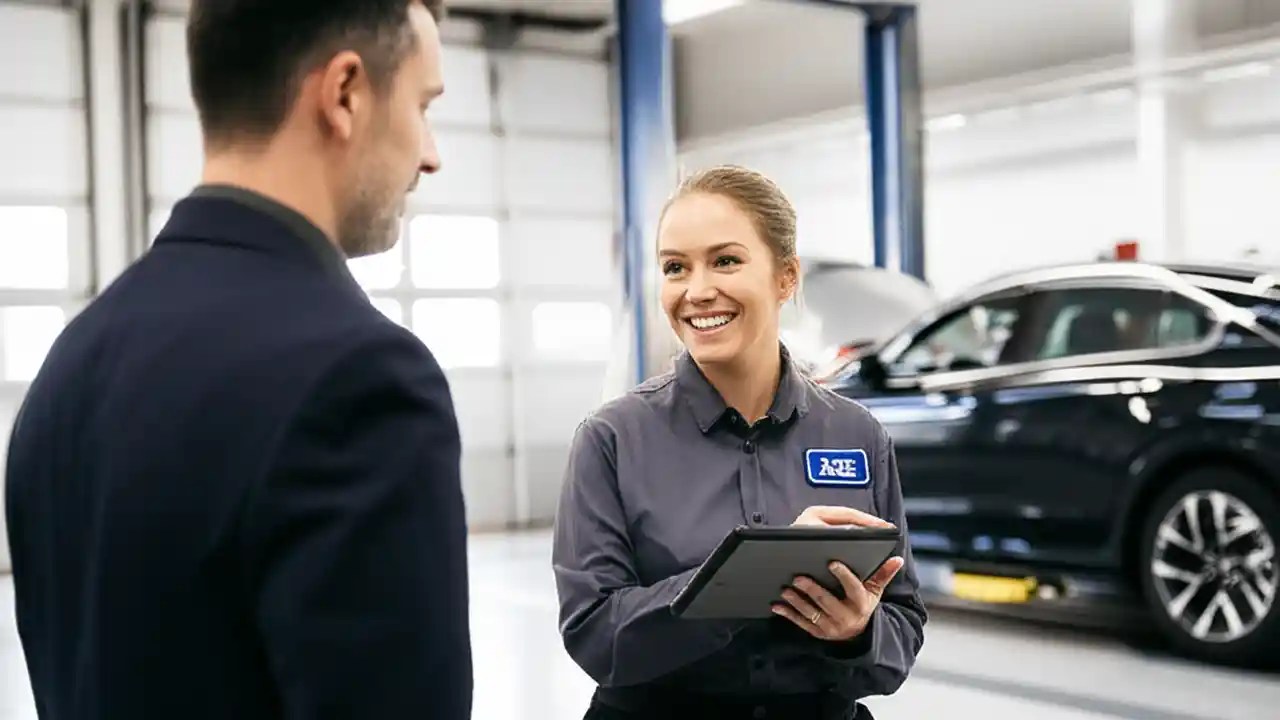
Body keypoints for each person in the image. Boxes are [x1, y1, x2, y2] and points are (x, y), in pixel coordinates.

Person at [4, 1, 472, 718]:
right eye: (423, 105)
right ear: (345, 94)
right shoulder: (362, 380)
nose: (430, 154)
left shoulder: (72, 363)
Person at [552, 165, 926, 719]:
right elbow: (595, 635)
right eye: (675, 267)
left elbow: (901, 630)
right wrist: (751, 578)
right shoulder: (611, 440)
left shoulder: (856, 435)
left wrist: (857, 633)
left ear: (785, 277)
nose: (698, 291)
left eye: (725, 261)